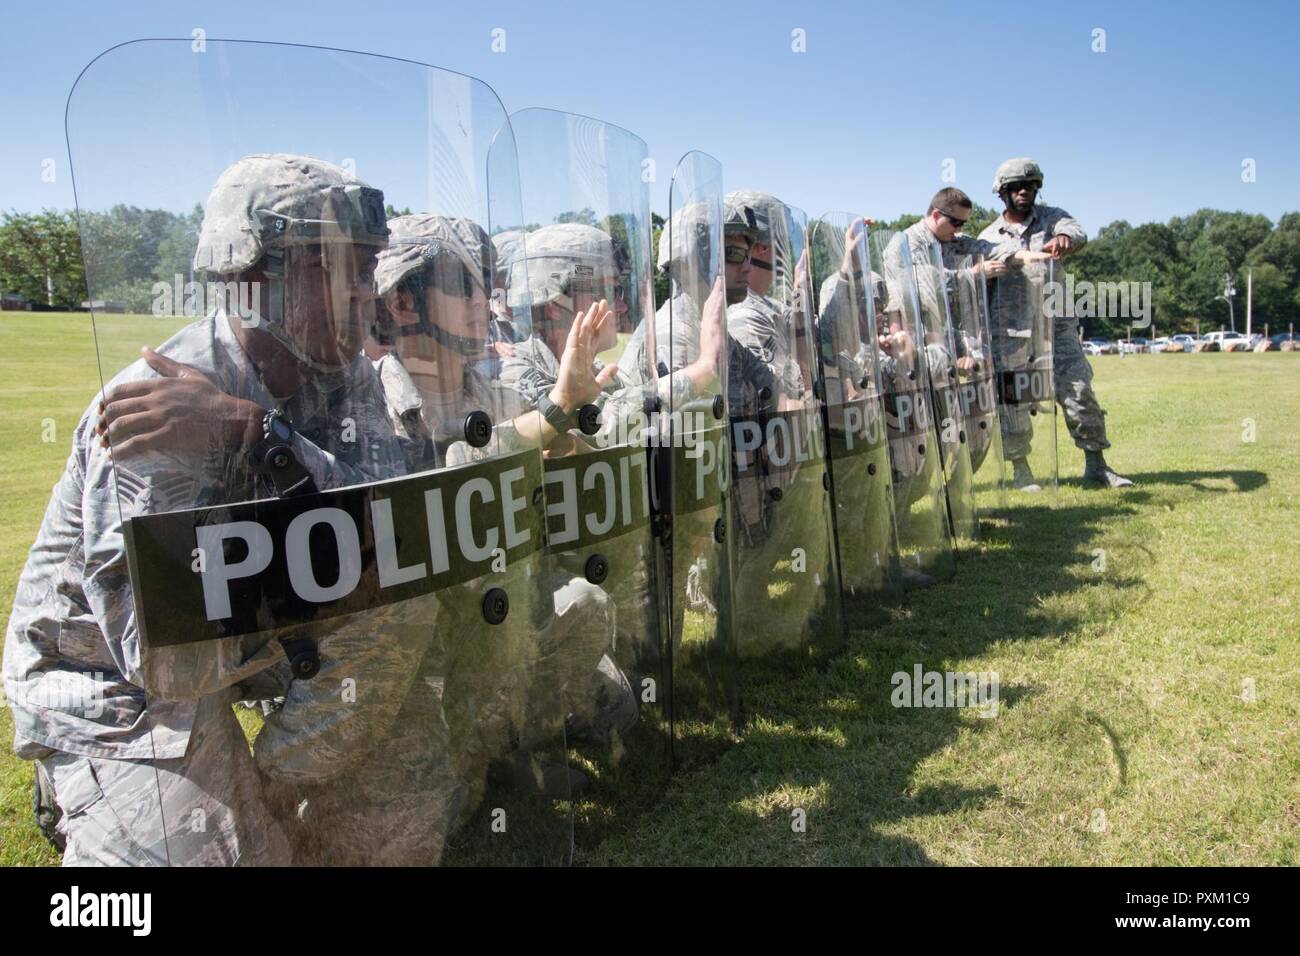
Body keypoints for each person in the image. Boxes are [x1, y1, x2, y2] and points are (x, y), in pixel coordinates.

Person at [2, 153, 402, 865]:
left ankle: (268, 790)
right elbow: (166, 661)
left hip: (252, 630)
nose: (361, 295)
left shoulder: (343, 380)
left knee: (399, 791)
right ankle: (87, 781)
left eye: (367, 268)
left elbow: (394, 526)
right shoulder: (151, 412)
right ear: (251, 280)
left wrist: (255, 434)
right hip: (115, 683)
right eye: (332, 267)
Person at [978, 158, 1134, 489]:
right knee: (1012, 402)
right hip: (1010, 334)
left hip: (1057, 328)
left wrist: (1064, 237)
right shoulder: (987, 236)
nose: (1024, 191)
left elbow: (1077, 232)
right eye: (1016, 187)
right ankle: (1021, 470)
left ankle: (1097, 465)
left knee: (1078, 391)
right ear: (1002, 193)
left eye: (1031, 186)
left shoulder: (1052, 218)